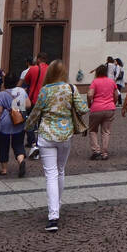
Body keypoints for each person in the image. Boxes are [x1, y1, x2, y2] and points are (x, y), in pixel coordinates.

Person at [26, 59, 88, 232]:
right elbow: (83, 109)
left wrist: (27, 126)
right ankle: (57, 206)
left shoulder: (45, 91)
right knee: (60, 170)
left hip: (46, 135)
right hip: (65, 135)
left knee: (51, 174)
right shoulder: (71, 88)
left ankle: (53, 215)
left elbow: (36, 112)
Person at [0, 78, 28, 177]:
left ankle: (4, 169)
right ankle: (21, 161)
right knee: (18, 144)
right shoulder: (21, 91)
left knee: (3, 145)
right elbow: (28, 104)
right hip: (19, 120)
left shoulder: (2, 94)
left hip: (5, 122)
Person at [86, 63, 119, 160]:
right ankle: (104, 153)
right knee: (106, 131)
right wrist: (113, 103)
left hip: (96, 108)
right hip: (109, 108)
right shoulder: (111, 82)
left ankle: (96, 151)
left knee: (93, 130)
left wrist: (89, 104)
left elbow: (90, 95)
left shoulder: (95, 82)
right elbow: (116, 95)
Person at [19, 54, 49, 159]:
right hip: (46, 100)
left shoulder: (33, 69)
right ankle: (41, 143)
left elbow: (27, 81)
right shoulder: (50, 69)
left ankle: (32, 142)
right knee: (43, 123)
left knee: (30, 122)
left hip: (34, 99)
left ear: (39, 59)